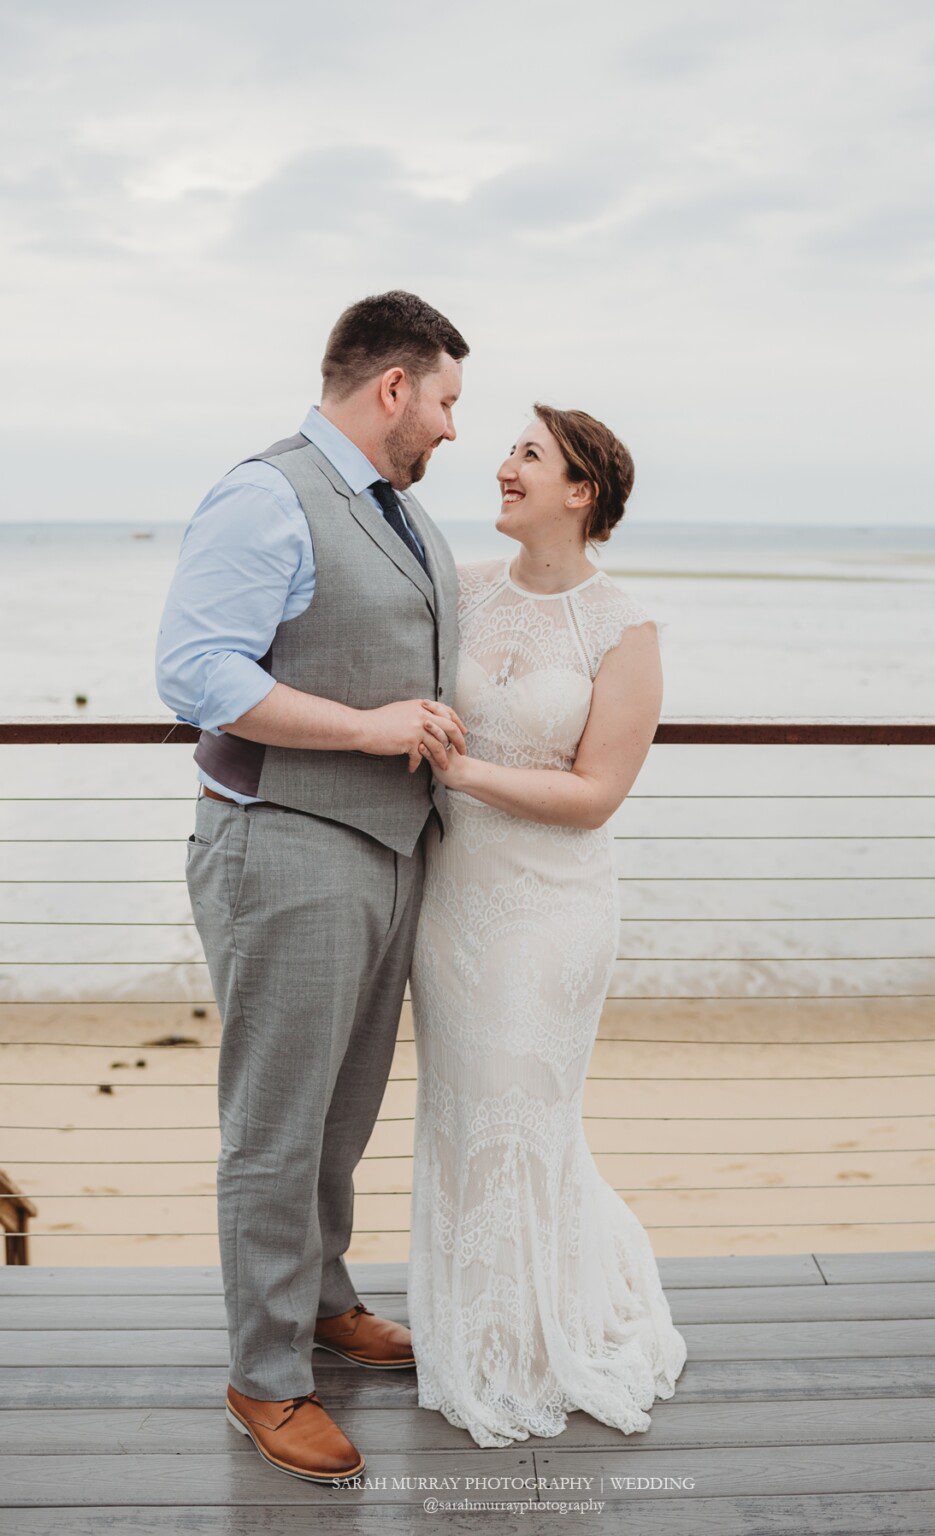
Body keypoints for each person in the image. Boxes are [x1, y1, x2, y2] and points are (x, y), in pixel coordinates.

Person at [154, 290, 469, 1485]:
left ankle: (324, 1298)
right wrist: (367, 727)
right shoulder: (267, 492)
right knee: (276, 1126)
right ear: (393, 389)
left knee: (342, 1110)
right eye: (444, 401)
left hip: (389, 848)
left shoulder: (398, 512)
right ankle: (266, 1374)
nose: (450, 428)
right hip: (284, 839)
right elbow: (196, 673)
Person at [406, 404, 687, 1446]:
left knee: (528, 1110)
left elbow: (598, 792)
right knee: (466, 1112)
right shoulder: (463, 594)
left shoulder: (623, 630)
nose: (502, 468)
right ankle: (473, 1332)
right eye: (509, 452)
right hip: (456, 900)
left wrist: (467, 768)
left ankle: (536, 1340)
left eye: (528, 455)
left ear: (582, 493)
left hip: (555, 907)